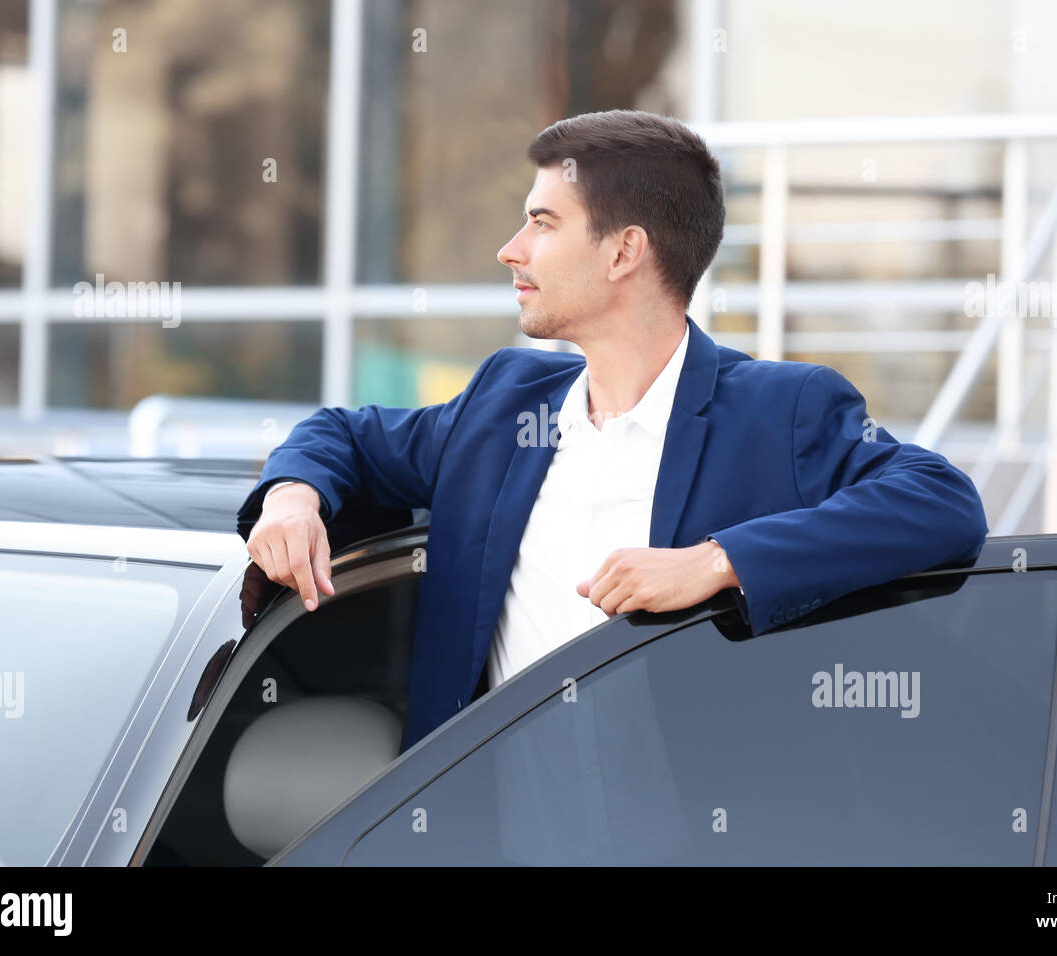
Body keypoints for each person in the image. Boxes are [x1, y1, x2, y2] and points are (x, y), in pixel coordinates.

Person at [236, 109, 989, 755]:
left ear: (624, 251)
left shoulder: (781, 411)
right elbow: (344, 435)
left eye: (542, 222)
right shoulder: (504, 404)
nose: (511, 249)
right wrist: (294, 499)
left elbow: (943, 501)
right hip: (484, 832)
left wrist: (716, 562)